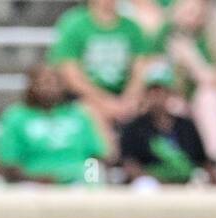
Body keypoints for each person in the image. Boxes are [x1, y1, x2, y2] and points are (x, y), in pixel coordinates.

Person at [145, 0, 216, 162]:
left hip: (204, 100)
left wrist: (192, 60)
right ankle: (181, 163)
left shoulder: (210, 36)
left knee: (208, 98)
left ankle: (214, 160)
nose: (192, 18)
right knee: (172, 105)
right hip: (173, 98)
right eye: (188, 11)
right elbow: (152, 72)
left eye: (197, 13)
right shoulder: (165, 33)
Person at [0, 63, 109, 184]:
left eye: (54, 83)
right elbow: (8, 163)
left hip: (78, 181)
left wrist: (89, 180)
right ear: (31, 85)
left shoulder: (79, 114)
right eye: (42, 83)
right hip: (33, 183)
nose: (48, 88)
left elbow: (96, 155)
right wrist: (38, 179)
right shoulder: (16, 117)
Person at [48, 0, 149, 131]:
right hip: (85, 98)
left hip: (123, 96)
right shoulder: (74, 25)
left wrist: (129, 100)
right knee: (91, 114)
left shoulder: (132, 28)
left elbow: (140, 71)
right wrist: (105, 102)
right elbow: (70, 75)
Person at [119, 76, 216, 185]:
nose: (156, 97)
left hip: (186, 182)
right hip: (153, 183)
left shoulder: (186, 125)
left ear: (169, 94)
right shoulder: (134, 128)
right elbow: (130, 164)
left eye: (160, 92)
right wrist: (161, 182)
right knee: (144, 185)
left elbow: (203, 160)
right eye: (152, 93)